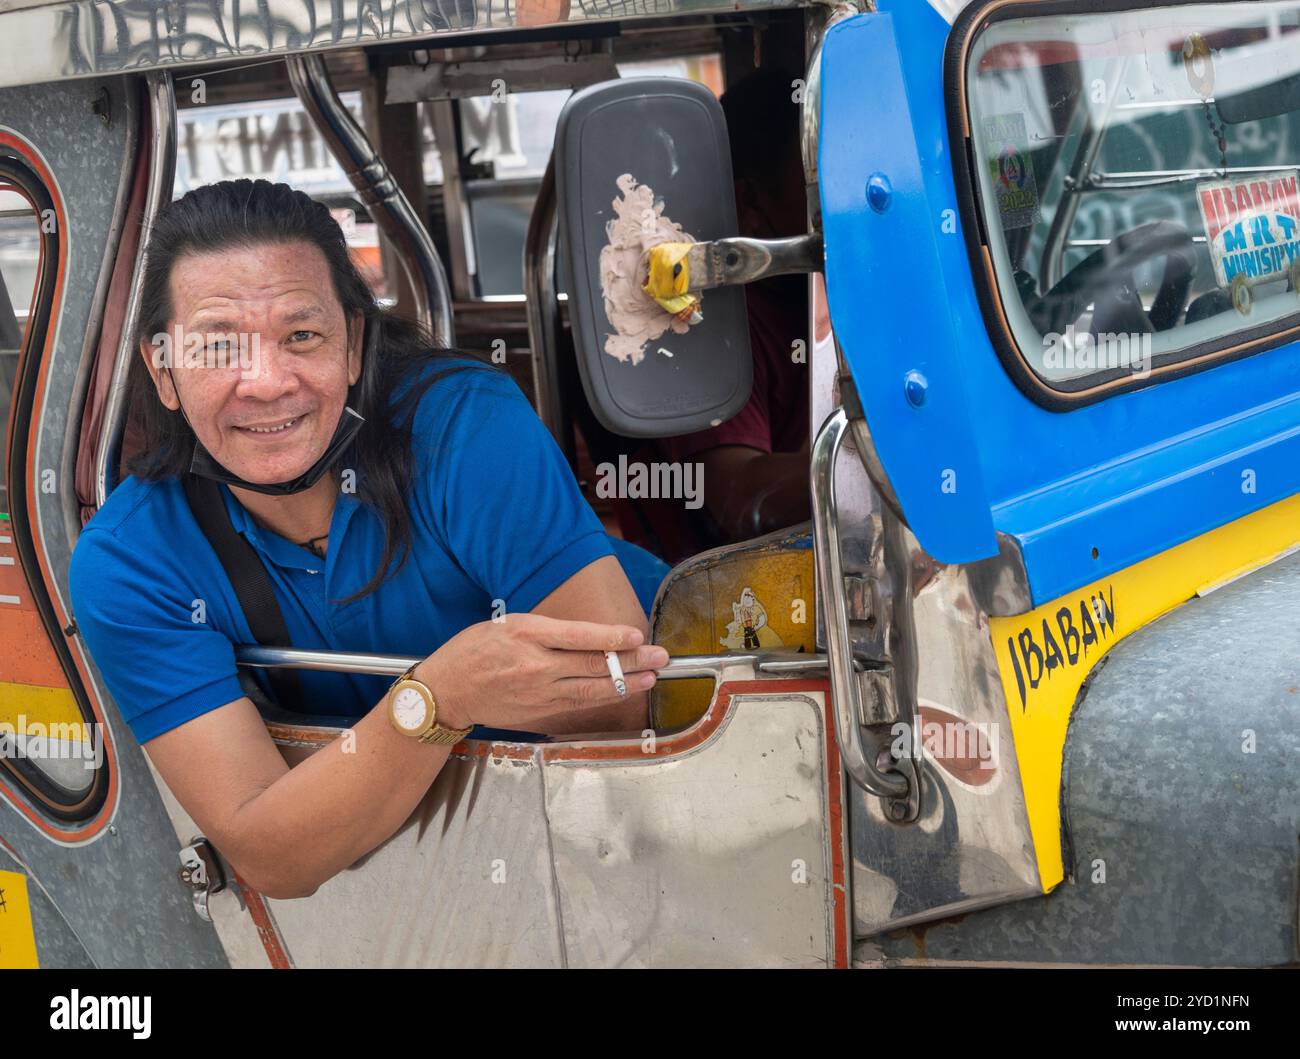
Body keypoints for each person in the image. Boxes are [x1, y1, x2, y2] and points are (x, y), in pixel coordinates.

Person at [68, 179, 670, 900]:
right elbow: (274, 854)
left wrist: (402, 738)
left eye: (301, 336)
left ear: (353, 346)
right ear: (163, 370)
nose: (265, 382)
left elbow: (617, 695)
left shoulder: (461, 426)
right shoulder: (130, 561)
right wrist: (442, 695)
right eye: (218, 346)